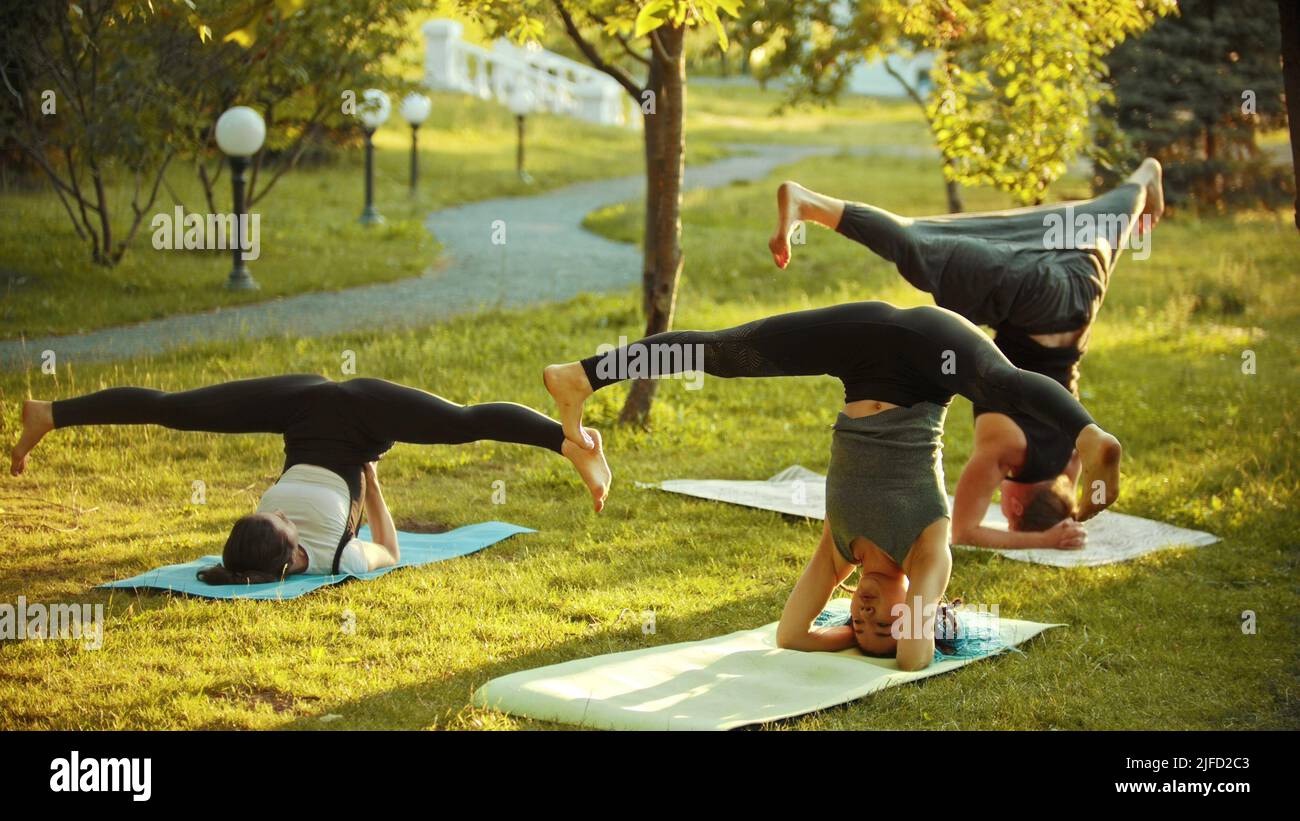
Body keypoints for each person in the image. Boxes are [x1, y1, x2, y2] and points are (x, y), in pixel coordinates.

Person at [542, 301, 1121, 668]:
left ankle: (581, 376)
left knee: (724, 352)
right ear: (917, 607)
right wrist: (893, 634)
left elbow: (792, 636)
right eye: (886, 621)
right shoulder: (927, 554)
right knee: (999, 380)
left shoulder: (840, 552)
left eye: (860, 619)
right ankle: (1089, 437)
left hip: (860, 345)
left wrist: (846, 634)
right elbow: (915, 660)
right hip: (932, 355)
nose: (869, 613)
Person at [765, 159, 1162, 548]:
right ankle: (808, 203)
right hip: (1037, 298)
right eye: (1007, 512)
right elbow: (964, 531)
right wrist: (1043, 539)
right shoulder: (1005, 451)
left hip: (1082, 286)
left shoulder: (1071, 461)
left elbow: (1067, 499)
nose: (1001, 508)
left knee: (1111, 216)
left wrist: (1071, 515)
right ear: (1017, 505)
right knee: (922, 249)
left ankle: (1145, 176)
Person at [10, 375, 611, 583]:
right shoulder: (259, 531)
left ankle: (570, 445)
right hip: (301, 403)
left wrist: (373, 485)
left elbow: (391, 551)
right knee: (174, 408)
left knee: (464, 421)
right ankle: (50, 414)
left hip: (350, 418)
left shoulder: (332, 561)